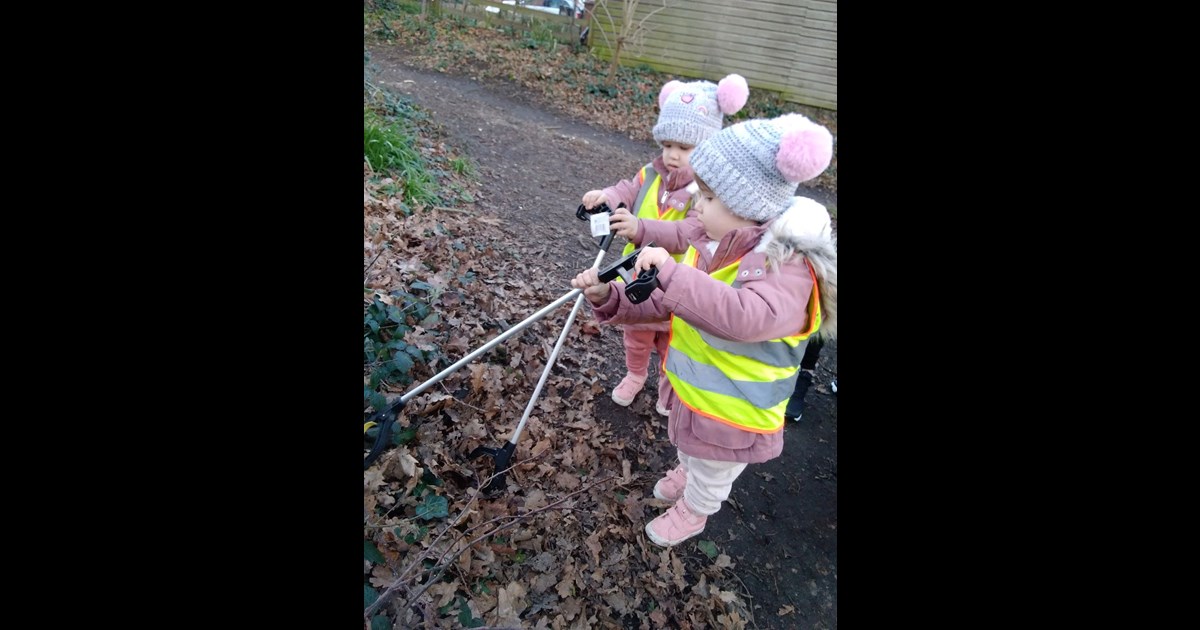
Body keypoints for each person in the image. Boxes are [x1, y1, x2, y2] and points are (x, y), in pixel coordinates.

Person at [571, 113, 837, 547]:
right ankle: (687, 472)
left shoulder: (791, 267)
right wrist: (611, 298)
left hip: (735, 413)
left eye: (708, 197)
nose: (697, 205)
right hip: (695, 394)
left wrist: (674, 275)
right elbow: (669, 304)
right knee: (691, 448)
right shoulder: (715, 246)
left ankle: (695, 511)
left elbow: (743, 316)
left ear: (749, 205)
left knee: (713, 472)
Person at [580, 74, 748, 416]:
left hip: (677, 279)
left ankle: (668, 387)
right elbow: (627, 189)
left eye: (684, 148)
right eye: (668, 145)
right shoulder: (650, 173)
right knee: (636, 334)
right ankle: (634, 373)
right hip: (635, 274)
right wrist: (607, 197)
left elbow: (689, 232)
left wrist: (640, 227)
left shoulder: (705, 194)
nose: (672, 155)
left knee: (672, 342)